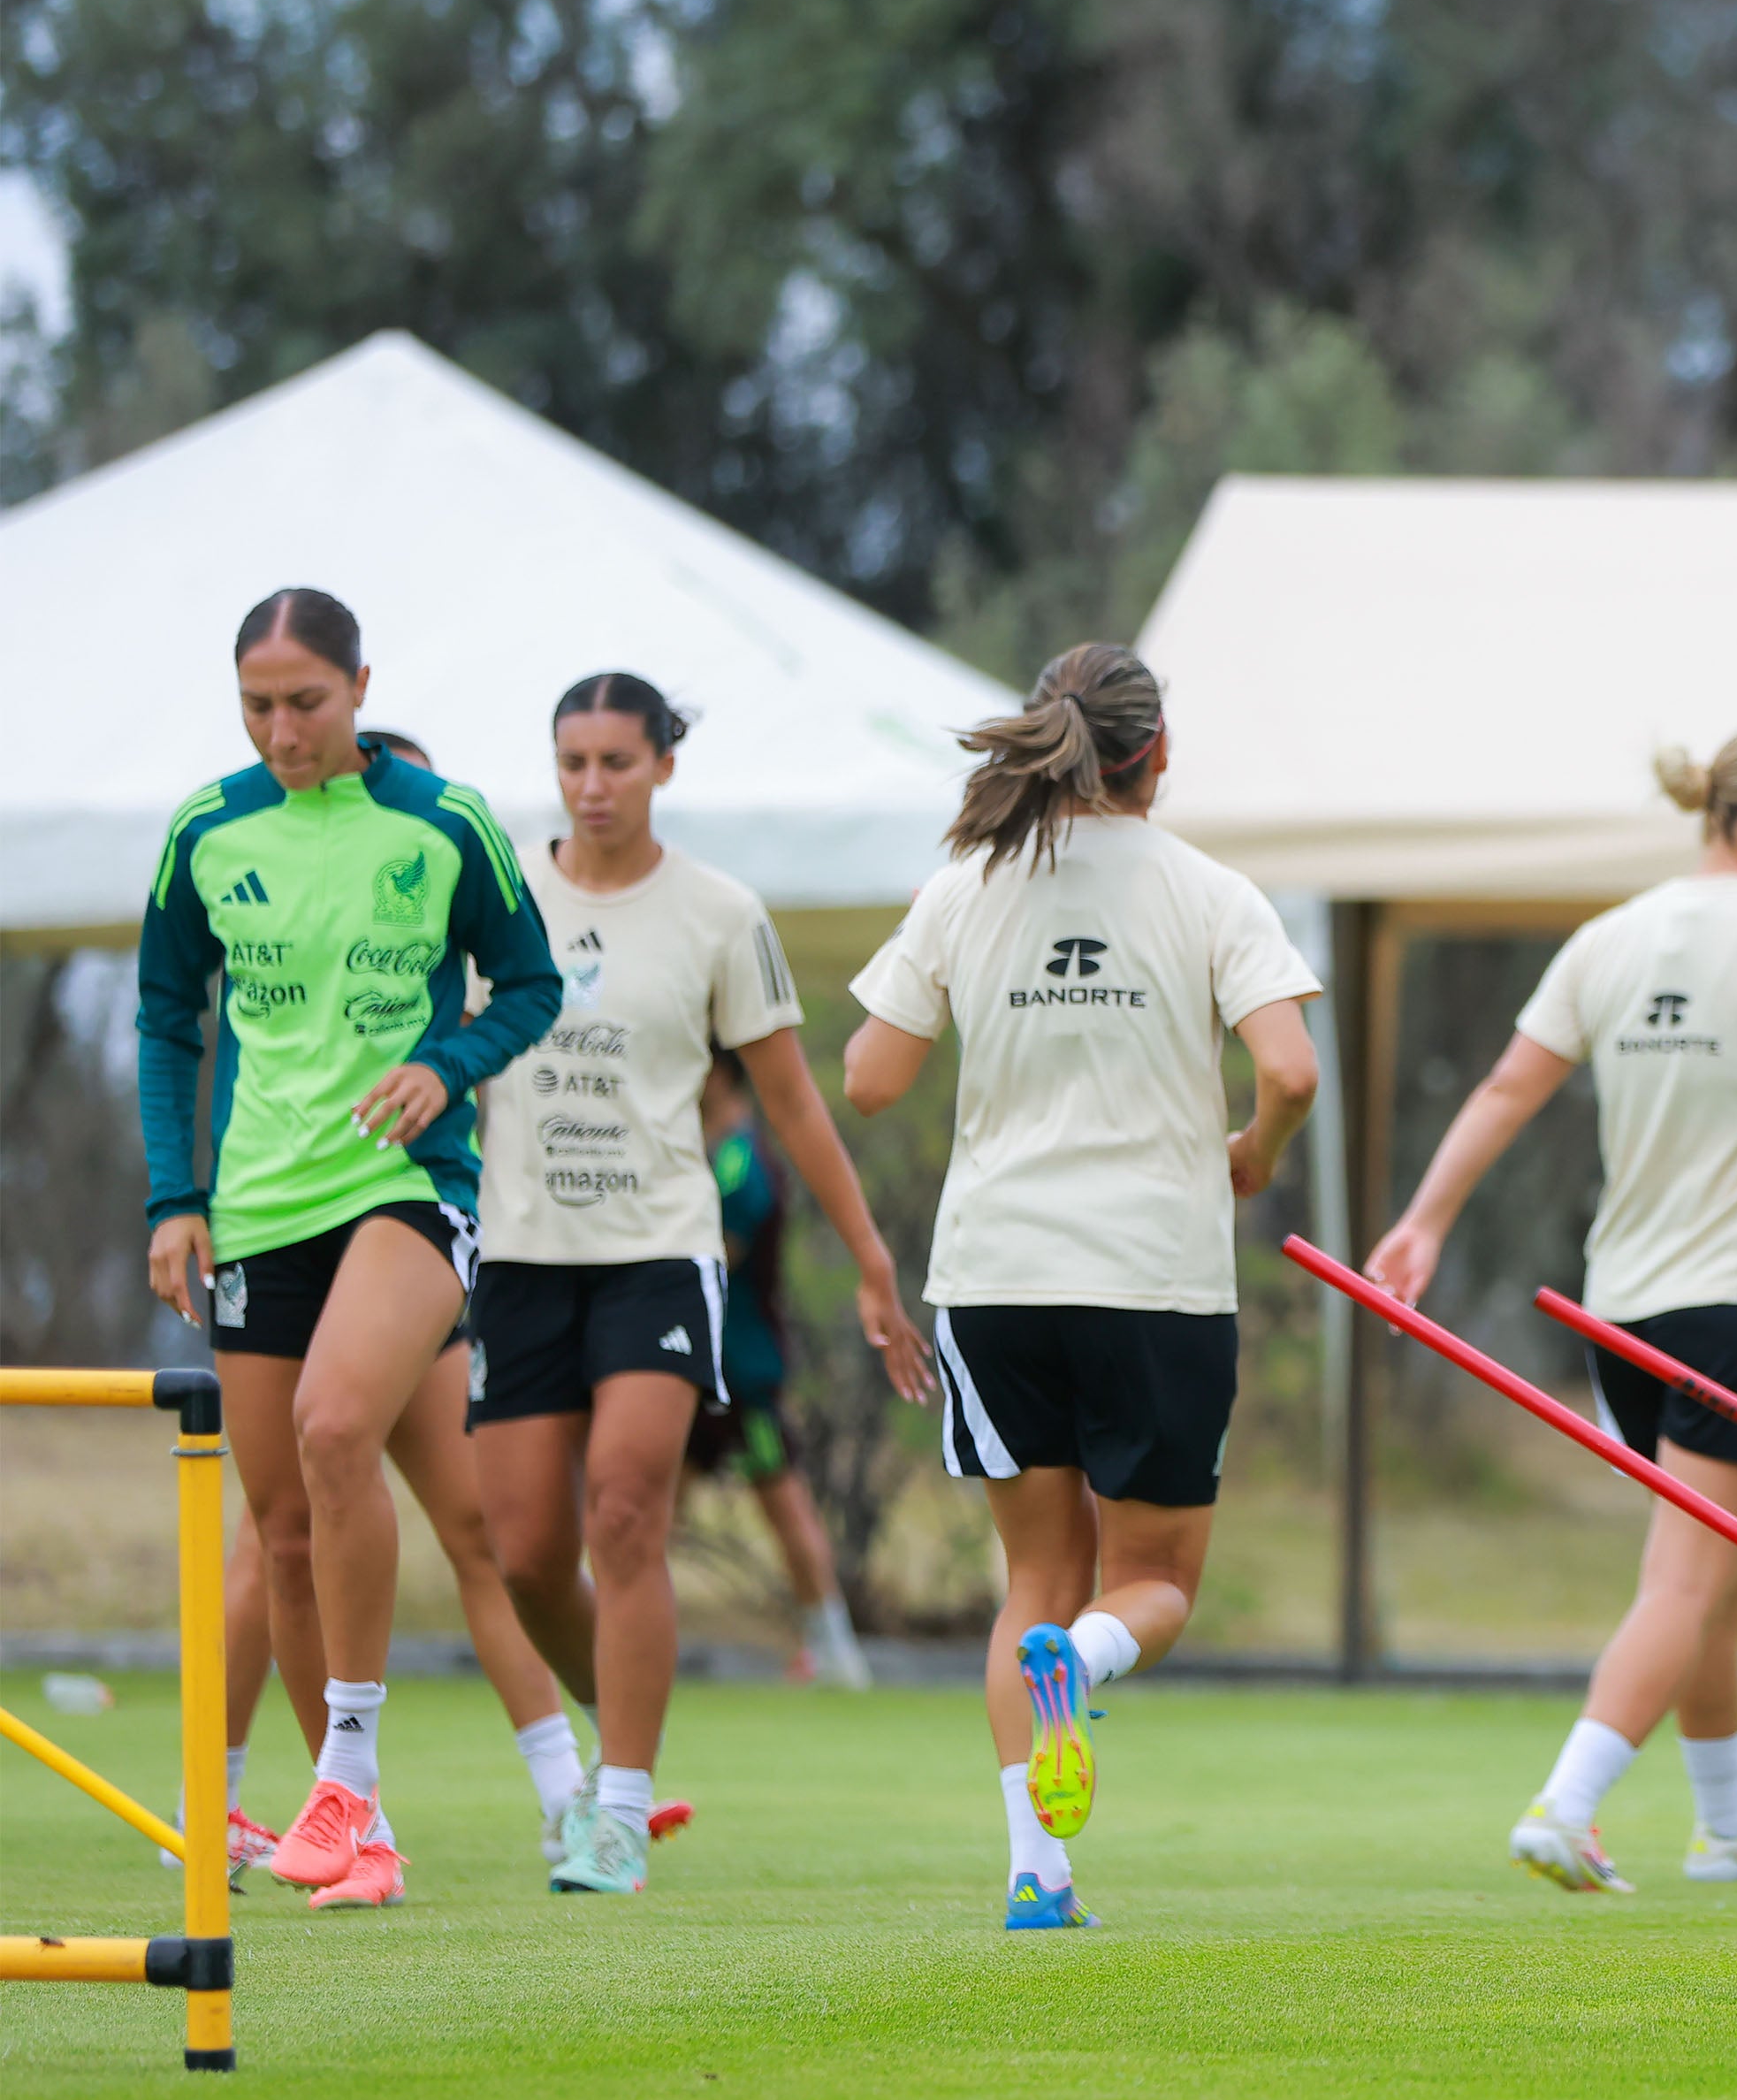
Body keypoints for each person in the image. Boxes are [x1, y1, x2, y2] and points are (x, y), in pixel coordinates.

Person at [1368, 727, 1737, 1898]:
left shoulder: (1605, 938)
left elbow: (1509, 1084)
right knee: (1684, 1581)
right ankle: (1562, 1805)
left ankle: (1724, 1823)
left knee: (1703, 1573)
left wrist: (1421, 1220)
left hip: (1619, 1312)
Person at [846, 643, 1321, 1932]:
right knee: (1148, 1579)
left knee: (1034, 1580)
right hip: (1152, 1275)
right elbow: (1288, 1068)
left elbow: (871, 1079)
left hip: (995, 1277)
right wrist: (1254, 1156)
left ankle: (1037, 1875)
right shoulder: (1211, 891)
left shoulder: (965, 884)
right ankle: (1093, 1660)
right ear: (1157, 753)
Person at [470, 673, 928, 1896]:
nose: (592, 784)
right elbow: (445, 1060)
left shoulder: (720, 912)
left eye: (617, 760)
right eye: (573, 761)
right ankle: (611, 1696)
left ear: (662, 767)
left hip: (656, 1256)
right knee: (521, 1553)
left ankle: (616, 1811)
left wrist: (871, 1255)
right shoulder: (499, 896)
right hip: (519, 1259)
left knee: (626, 1512)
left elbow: (790, 1098)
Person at [139, 588, 562, 1903]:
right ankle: (360, 1836)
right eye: (257, 706)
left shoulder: (446, 822)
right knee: (279, 1532)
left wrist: (449, 1061)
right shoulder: (207, 829)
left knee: (334, 1432)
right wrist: (174, 1195)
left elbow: (534, 981)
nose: (282, 730)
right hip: (256, 1203)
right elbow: (164, 1015)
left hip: (404, 1187)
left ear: (361, 687)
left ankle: (348, 1779)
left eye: (305, 703)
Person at [691, 1047, 874, 1689]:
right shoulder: (700, 1145)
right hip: (684, 1361)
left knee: (781, 1496)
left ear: (717, 1070)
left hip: (739, 1367)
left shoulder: (738, 1155)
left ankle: (833, 1646)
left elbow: (725, 1244)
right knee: (639, 1501)